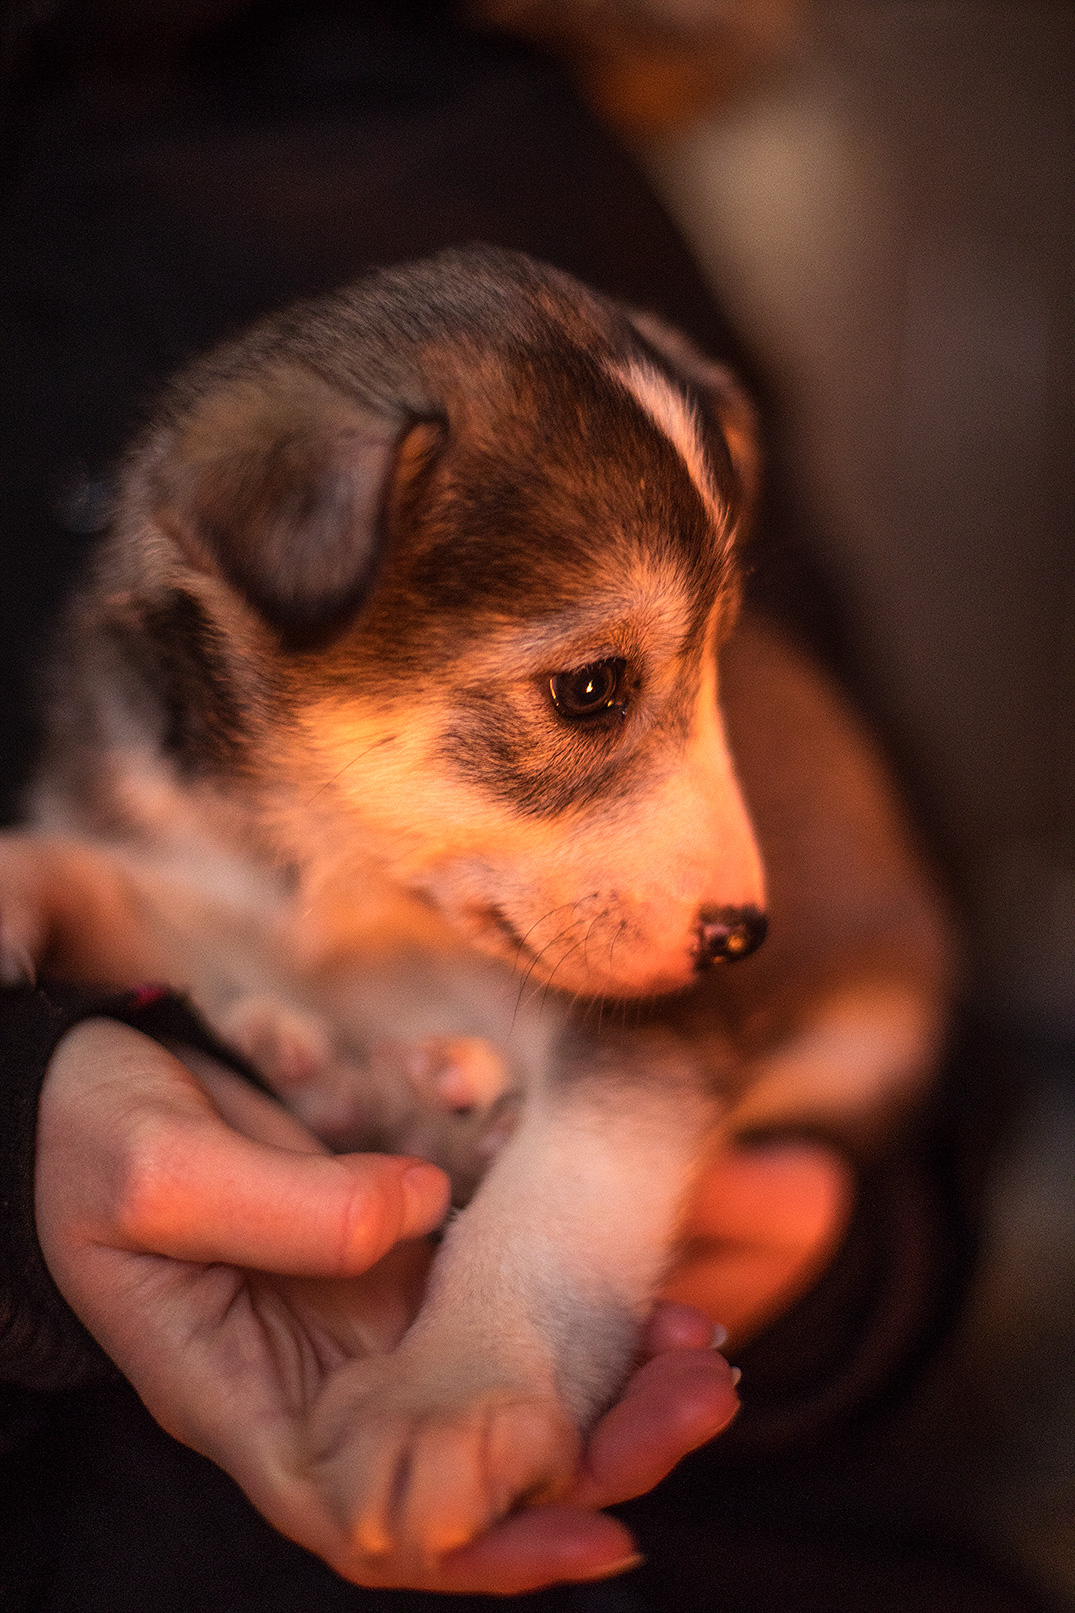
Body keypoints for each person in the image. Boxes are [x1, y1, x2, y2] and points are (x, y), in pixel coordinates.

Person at [0, 3, 1049, 1608]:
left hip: (760, 1507)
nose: (727, 846)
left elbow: (874, 1059)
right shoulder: (246, 565)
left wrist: (835, 1273)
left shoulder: (519, 133)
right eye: (584, 695)